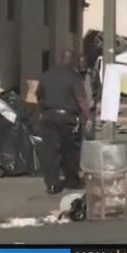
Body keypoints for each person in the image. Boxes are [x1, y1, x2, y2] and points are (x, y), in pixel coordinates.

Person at [35, 50, 88, 194]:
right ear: (71, 60)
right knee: (70, 151)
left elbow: (38, 96)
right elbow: (81, 99)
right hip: (68, 118)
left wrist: (40, 113)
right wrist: (87, 116)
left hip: (48, 117)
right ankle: (71, 180)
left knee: (50, 152)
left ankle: (52, 183)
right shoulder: (74, 77)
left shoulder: (46, 76)